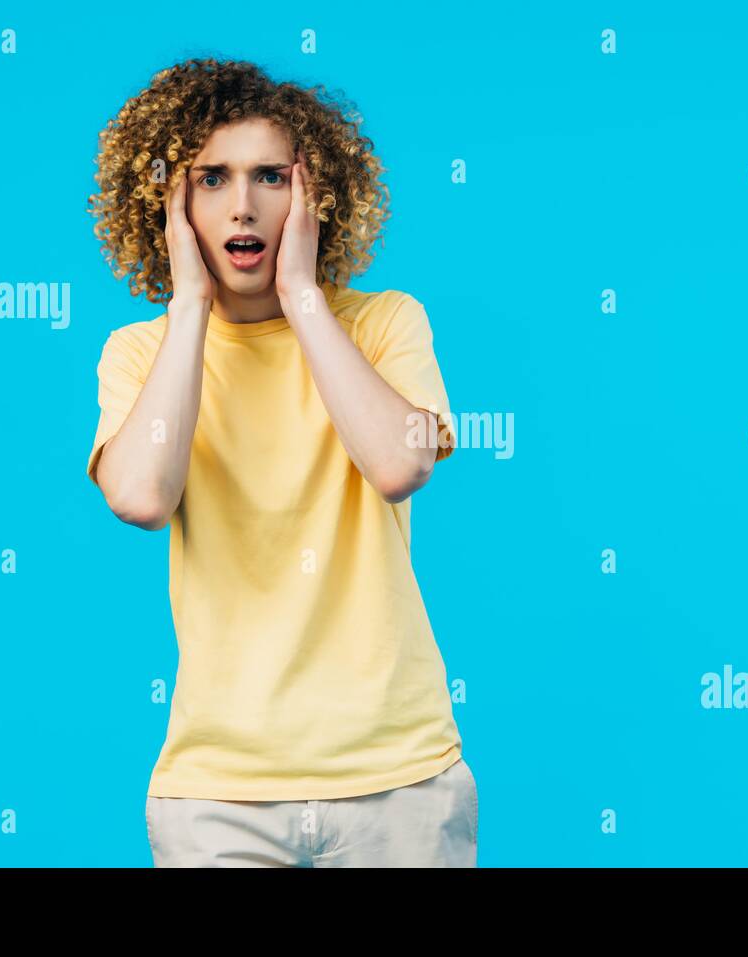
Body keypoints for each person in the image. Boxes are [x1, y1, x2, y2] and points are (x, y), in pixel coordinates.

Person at [84, 58, 475, 867]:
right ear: (169, 201)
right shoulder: (141, 353)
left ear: (317, 193)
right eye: (211, 178)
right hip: (218, 791)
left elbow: (401, 467)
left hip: (399, 778)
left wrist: (302, 297)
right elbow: (141, 496)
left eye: (271, 176)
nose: (243, 204)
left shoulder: (385, 323)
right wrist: (188, 305)